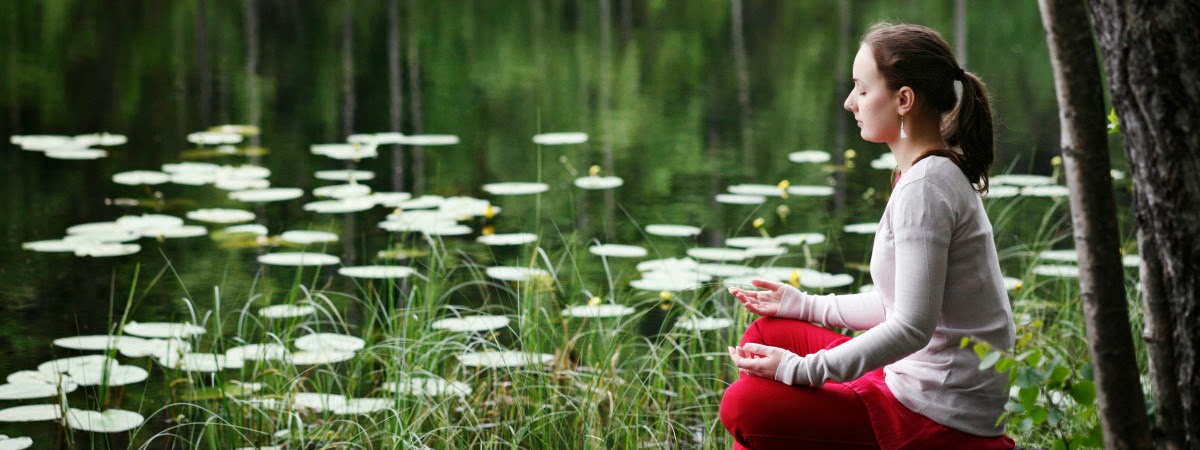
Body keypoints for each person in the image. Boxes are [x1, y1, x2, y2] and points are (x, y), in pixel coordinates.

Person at [719, 23, 1017, 450]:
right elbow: (898, 303)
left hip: (935, 412)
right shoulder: (925, 172)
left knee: (742, 405)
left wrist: (801, 370)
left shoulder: (926, 188)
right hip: (912, 380)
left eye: (861, 88)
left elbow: (912, 326)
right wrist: (804, 305)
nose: (849, 102)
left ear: (903, 100)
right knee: (769, 335)